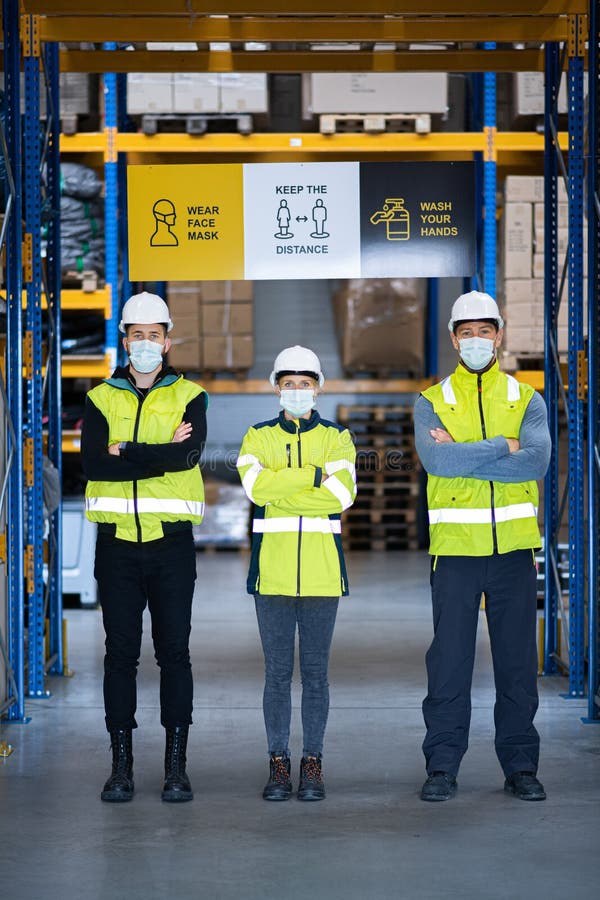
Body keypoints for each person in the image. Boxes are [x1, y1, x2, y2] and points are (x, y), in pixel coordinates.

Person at [413, 291, 551, 803]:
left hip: (514, 550)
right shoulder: (432, 399)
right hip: (455, 554)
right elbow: (439, 463)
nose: (475, 340)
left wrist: (468, 453)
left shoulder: (525, 397)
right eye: (466, 332)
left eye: (484, 330)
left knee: (517, 662)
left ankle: (520, 765)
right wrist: (502, 446)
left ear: (500, 334)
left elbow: (535, 462)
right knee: (448, 663)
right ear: (453, 338)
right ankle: (442, 766)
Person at [81, 291, 207, 804]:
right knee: (120, 656)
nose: (147, 343)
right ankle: (121, 768)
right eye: (138, 335)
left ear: (168, 340)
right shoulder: (99, 398)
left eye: (155, 335)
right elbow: (94, 465)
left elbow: (190, 455)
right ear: (125, 340)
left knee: (175, 654)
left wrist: (128, 450)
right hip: (116, 547)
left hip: (172, 544)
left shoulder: (191, 395)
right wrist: (161, 453)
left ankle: (175, 767)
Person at [237, 346, 356, 801]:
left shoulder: (338, 436)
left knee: (316, 674)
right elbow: (256, 488)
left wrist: (285, 482)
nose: (297, 391)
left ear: (318, 387)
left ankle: (313, 762)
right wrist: (314, 477)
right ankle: (278, 762)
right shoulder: (257, 435)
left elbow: (341, 495)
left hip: (324, 575)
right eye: (288, 383)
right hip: (272, 574)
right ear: (276, 388)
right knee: (276, 674)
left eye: (305, 383)